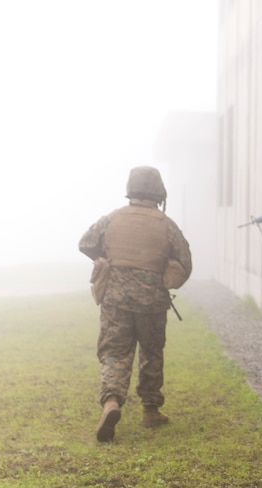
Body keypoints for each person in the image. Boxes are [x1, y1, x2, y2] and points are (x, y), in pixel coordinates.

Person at [78, 166, 192, 443]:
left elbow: (85, 243)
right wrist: (165, 274)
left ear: (130, 190)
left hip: (115, 300)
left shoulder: (113, 218)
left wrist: (106, 258)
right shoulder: (166, 224)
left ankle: (111, 401)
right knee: (151, 353)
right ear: (159, 192)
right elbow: (185, 263)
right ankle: (150, 410)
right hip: (152, 302)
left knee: (115, 352)